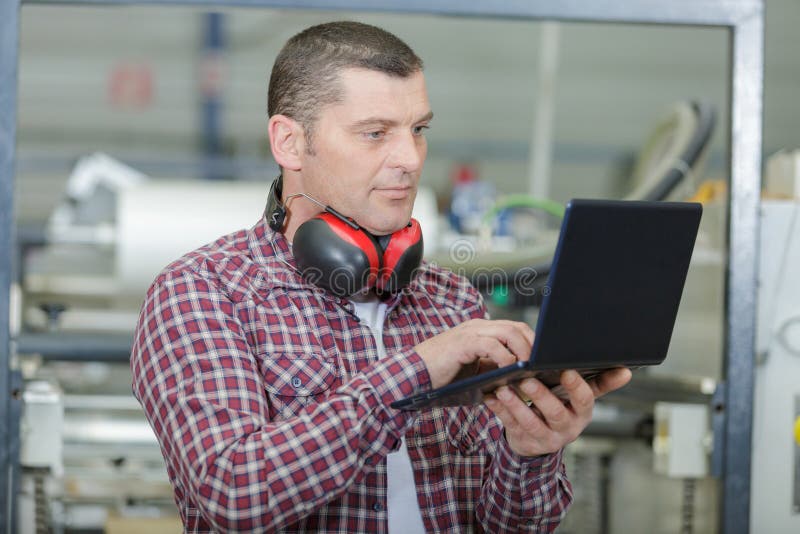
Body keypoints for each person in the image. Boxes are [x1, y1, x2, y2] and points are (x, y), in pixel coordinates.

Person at [131, 21, 631, 533]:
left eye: (418, 130)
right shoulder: (202, 292)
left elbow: (511, 526)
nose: (410, 159)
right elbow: (235, 492)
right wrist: (417, 370)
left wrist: (531, 452)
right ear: (289, 142)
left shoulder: (449, 302)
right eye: (375, 133)